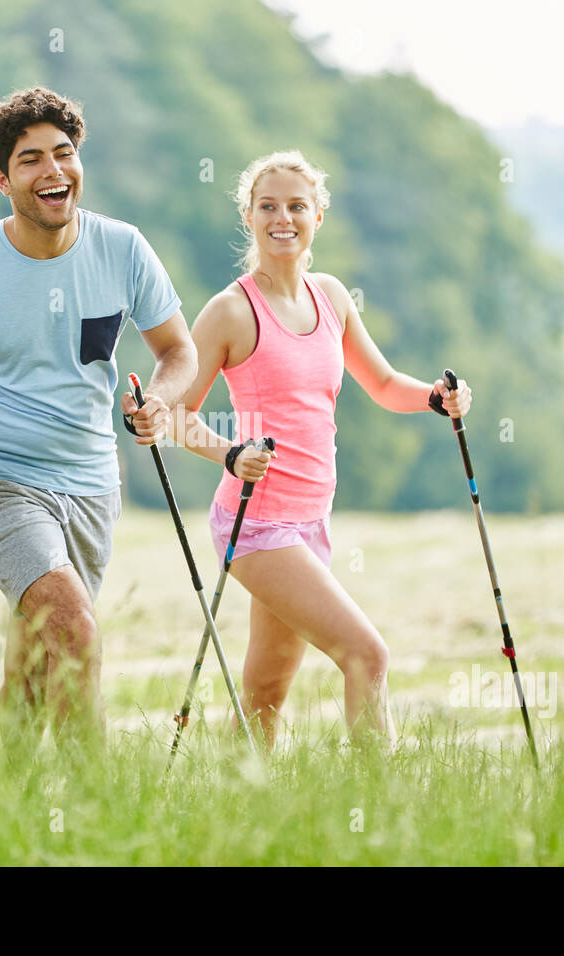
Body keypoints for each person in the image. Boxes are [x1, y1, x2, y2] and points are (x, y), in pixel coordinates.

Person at [0, 87, 196, 748]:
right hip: (0, 483)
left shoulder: (124, 250)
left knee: (36, 668)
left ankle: (1, 812)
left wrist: (159, 403)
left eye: (64, 153)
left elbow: (178, 351)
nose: (54, 170)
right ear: (3, 179)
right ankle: (100, 816)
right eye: (31, 160)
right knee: (75, 632)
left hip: (93, 485)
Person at [171, 150, 471, 750]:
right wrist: (230, 453)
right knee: (366, 655)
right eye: (268, 206)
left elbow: (384, 385)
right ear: (249, 217)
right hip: (255, 522)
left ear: (318, 216)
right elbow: (176, 414)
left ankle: (236, 810)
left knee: (264, 695)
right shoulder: (231, 310)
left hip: (311, 519)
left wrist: (438, 399)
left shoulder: (330, 296)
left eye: (297, 206)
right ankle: (377, 810)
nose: (283, 217)